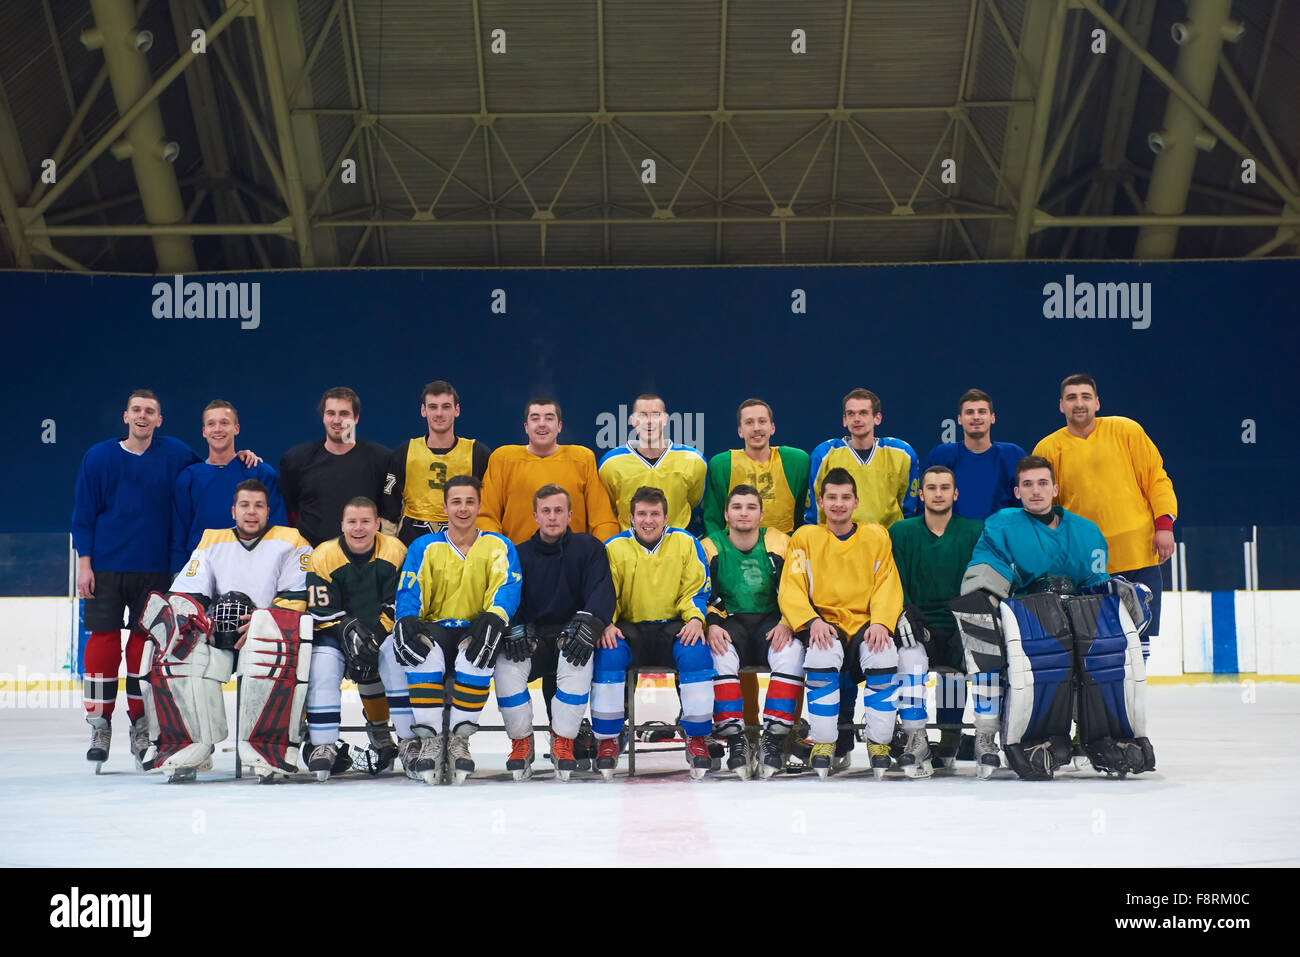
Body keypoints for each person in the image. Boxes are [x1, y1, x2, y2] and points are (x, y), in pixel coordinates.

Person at [953, 455, 1155, 780]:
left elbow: (1093, 583)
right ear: (1017, 491)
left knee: (1105, 646)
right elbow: (984, 577)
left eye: (1043, 483)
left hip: (1077, 619)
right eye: (1028, 484)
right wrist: (991, 611)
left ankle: (1095, 735)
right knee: (977, 621)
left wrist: (1117, 590)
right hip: (1024, 619)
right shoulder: (1001, 525)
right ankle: (987, 733)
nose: (1036, 491)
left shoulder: (1086, 531)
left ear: (1055, 488)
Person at [72, 389, 231, 771]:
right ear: (126, 416)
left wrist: (241, 460)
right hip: (107, 568)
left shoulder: (175, 453)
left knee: (145, 648)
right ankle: (100, 724)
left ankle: (142, 726)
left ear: (159, 420)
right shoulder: (98, 457)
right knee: (103, 644)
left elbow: (209, 468)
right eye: (137, 411)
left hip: (157, 570)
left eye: (151, 412)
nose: (143, 416)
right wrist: (85, 565)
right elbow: (84, 513)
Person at [140, 479, 313, 783]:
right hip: (217, 636)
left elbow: (296, 597)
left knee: (269, 645)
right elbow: (188, 595)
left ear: (268, 511)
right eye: (244, 505)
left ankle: (266, 746)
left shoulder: (291, 540)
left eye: (258, 506)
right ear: (233, 510)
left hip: (266, 633)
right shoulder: (211, 541)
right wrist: (191, 622)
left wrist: (261, 623)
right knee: (177, 649)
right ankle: (188, 743)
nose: (251, 512)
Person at [379, 475, 522, 785]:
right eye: (456, 502)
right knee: (417, 654)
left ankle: (459, 742)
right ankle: (428, 740)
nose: (463, 508)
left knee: (478, 653)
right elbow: (409, 590)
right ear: (444, 506)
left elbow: (508, 588)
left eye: (470, 501)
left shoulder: (499, 545)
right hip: (436, 628)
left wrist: (496, 617)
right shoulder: (423, 546)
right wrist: (405, 619)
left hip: (475, 626)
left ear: (479, 505)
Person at [1033, 374, 1177, 660]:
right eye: (1072, 398)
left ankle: (1129, 701)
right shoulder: (1047, 449)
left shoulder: (1127, 431)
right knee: (1094, 646)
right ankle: (1102, 704)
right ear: (1061, 405)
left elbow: (1156, 479)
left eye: (1086, 397)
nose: (1079, 404)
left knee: (1140, 641)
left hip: (1139, 556)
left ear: (1097, 402)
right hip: (1086, 566)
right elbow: (1046, 509)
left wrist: (1164, 525)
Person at [778, 468, 903, 779]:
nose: (838, 504)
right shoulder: (805, 537)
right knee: (820, 655)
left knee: (883, 655)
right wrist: (810, 621)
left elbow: (888, 583)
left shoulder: (875, 536)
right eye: (831, 497)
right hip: (824, 622)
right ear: (820, 501)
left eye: (845, 497)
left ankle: (879, 743)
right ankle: (823, 742)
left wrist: (882, 623)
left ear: (856, 501)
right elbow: (791, 585)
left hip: (865, 622)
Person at [492, 484, 616, 781]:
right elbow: (508, 596)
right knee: (506, 667)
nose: (552, 517)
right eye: (545, 511)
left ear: (570, 514)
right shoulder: (518, 554)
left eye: (558, 511)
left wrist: (590, 623)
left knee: (577, 658)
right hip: (533, 640)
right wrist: (513, 626)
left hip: (571, 638)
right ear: (535, 516)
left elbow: (602, 592)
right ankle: (521, 741)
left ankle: (564, 740)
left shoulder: (590, 549)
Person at [590, 486, 713, 780]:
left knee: (696, 651)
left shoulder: (685, 542)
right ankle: (608, 739)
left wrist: (696, 619)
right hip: (629, 628)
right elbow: (608, 593)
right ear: (630, 518)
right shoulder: (614, 547)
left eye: (655, 514)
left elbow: (695, 589)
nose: (648, 520)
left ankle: (697, 737)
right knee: (608, 653)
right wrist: (606, 622)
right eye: (642, 514)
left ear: (666, 516)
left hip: (672, 626)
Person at [887, 466, 983, 771]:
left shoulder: (974, 530)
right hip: (920, 623)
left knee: (961, 670)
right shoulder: (901, 532)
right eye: (931, 488)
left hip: (959, 621)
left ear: (955, 494)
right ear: (921, 493)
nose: (938, 493)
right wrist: (902, 612)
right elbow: (894, 581)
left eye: (944, 488)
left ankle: (953, 736)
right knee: (909, 661)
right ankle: (916, 737)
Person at [303, 497, 407, 779]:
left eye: (365, 522)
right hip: (335, 634)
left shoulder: (395, 550)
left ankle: (406, 740)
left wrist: (373, 637)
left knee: (395, 661)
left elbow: (399, 603)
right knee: (322, 667)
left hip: (380, 632)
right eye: (352, 522)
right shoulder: (324, 555)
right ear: (342, 525)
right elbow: (320, 609)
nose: (358, 528)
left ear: (377, 524)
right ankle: (322, 743)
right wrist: (347, 628)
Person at [701, 485, 799, 780]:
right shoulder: (709, 547)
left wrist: (788, 621)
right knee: (718, 655)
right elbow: (700, 591)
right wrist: (711, 624)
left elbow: (797, 588)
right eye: (737, 507)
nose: (744, 512)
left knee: (792, 653)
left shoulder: (781, 542)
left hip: (772, 621)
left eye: (751, 507)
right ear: (726, 513)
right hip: (730, 622)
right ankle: (735, 740)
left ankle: (774, 738)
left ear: (761, 513)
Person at [478, 397, 619, 543]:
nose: (542, 424)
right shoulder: (503, 459)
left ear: (559, 426)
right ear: (526, 427)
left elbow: (603, 521)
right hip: (517, 561)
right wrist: (500, 555)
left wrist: (598, 556)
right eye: (535, 418)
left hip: (573, 562)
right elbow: (486, 517)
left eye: (549, 418)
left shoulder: (582, 459)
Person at [171, 400, 286, 573]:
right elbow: (179, 532)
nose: (218, 429)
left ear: (236, 428)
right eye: (211, 424)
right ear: (204, 432)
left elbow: (279, 528)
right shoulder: (188, 478)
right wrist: (178, 573)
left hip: (254, 569)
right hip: (201, 572)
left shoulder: (261, 473)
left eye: (224, 423)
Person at [382, 380, 490, 546]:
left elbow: (489, 509)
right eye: (433, 407)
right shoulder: (404, 453)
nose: (439, 413)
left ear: (457, 410)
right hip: (412, 548)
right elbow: (389, 512)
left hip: (464, 548)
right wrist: (390, 552)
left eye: (446, 407)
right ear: (423, 410)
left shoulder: (477, 453)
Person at [279, 387, 391, 548]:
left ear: (356, 418)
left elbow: (388, 511)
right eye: (331, 413)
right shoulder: (296, 460)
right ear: (323, 417)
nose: (337, 420)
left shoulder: (381, 459)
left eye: (344, 414)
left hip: (364, 561)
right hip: (311, 559)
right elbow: (289, 510)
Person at [806, 388, 919, 529]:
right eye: (851, 414)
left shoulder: (902, 453)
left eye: (863, 413)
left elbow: (910, 511)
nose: (857, 419)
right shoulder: (824, 454)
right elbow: (814, 512)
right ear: (844, 420)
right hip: (838, 542)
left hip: (888, 542)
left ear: (877, 418)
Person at [598, 393, 707, 532]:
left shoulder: (693, 460)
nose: (649, 421)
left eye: (656, 415)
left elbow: (694, 501)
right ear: (632, 420)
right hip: (629, 547)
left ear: (666, 419)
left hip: (677, 545)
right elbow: (608, 508)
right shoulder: (610, 463)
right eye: (642, 415)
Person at [702, 399, 810, 535]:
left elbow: (803, 515)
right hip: (734, 548)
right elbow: (713, 521)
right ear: (740, 431)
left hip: (785, 548)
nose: (756, 428)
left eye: (762, 421)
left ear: (772, 428)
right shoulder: (722, 465)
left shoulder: (796, 462)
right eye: (749, 422)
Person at [923, 389, 1025, 520]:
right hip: (952, 537)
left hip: (1000, 536)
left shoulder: (1013, 455)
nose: (976, 417)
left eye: (982, 412)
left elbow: (1024, 505)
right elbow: (925, 506)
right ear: (959, 419)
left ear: (992, 417)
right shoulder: (940, 456)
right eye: (969, 412)